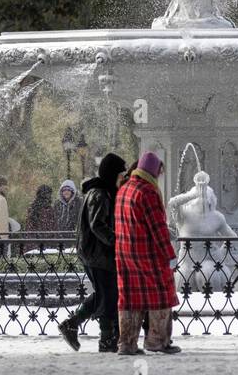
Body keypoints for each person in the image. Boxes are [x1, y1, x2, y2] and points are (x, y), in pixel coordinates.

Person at [59, 153, 127, 352]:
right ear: (112, 173)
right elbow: (97, 224)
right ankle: (106, 339)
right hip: (97, 254)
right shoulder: (99, 193)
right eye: (121, 173)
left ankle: (74, 325)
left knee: (106, 294)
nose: (123, 177)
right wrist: (117, 241)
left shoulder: (104, 191)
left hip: (98, 253)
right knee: (108, 295)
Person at [115, 152, 180, 355]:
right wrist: (170, 256)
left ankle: (127, 343)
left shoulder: (124, 189)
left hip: (125, 254)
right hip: (148, 254)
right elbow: (158, 230)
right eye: (159, 171)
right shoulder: (148, 192)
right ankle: (157, 341)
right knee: (162, 294)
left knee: (130, 297)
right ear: (153, 170)